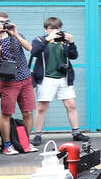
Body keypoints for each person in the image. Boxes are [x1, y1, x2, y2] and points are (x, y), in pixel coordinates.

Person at [29, 17, 83, 145]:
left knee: (71, 104)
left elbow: (74, 56)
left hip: (64, 78)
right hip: (46, 78)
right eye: (52, 28)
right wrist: (46, 40)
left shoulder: (64, 41)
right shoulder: (39, 40)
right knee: (42, 107)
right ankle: (37, 135)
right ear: (46, 29)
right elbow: (34, 52)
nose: (55, 31)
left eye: (58, 28)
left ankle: (76, 132)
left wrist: (72, 42)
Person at [0, 12, 35, 154]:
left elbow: (29, 48)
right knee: (6, 113)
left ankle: (25, 142)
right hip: (9, 81)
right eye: (1, 22)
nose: (5, 24)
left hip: (25, 79)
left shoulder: (15, 34)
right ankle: (8, 145)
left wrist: (14, 34)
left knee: (27, 112)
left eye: (6, 21)